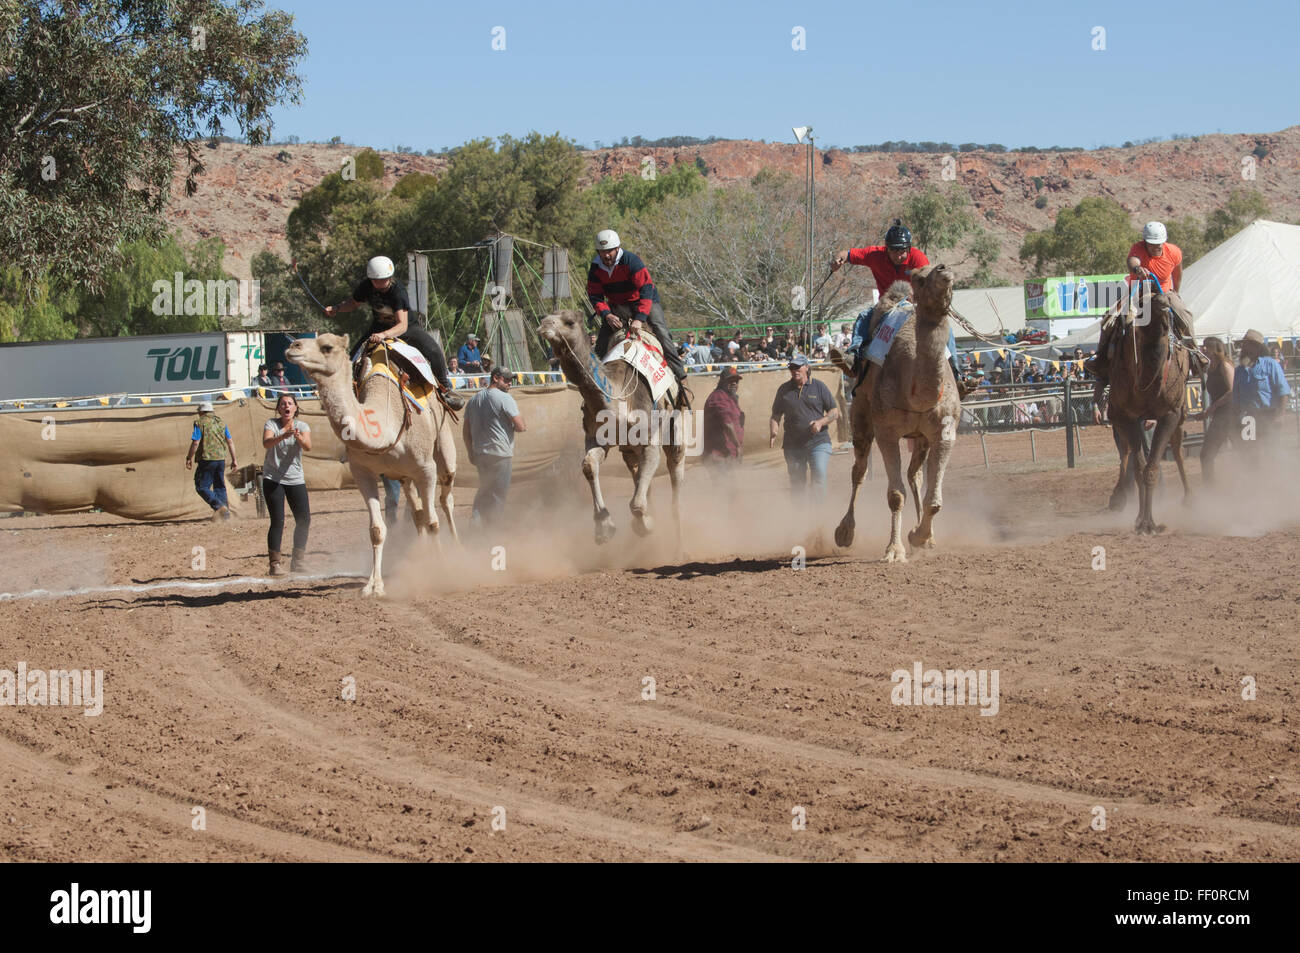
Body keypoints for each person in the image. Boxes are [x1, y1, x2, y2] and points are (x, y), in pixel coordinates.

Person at [832, 219, 965, 389]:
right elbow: (847, 254)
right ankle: (853, 356)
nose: (898, 255)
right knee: (863, 317)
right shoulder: (875, 255)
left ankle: (956, 372)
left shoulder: (917, 258)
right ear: (886, 248)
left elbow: (928, 281)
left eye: (902, 250)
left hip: (914, 306)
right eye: (893, 250)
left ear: (908, 248)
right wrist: (838, 260)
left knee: (945, 328)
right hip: (887, 306)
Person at [324, 255, 464, 410]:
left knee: (434, 350)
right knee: (354, 356)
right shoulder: (366, 286)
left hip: (407, 329)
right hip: (378, 327)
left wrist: (384, 335)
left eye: (385, 279)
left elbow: (402, 325)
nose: (382, 283)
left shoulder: (398, 291)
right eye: (377, 280)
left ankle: (445, 389)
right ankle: (344, 393)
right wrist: (337, 308)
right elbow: (354, 303)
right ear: (371, 279)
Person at [1086, 221, 1197, 394]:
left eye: (1159, 243)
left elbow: (1178, 272)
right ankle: (1101, 360)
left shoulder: (1173, 252)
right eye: (1152, 244)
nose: (1156, 247)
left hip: (1165, 292)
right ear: (1145, 242)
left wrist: (1175, 292)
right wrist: (1137, 269)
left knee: (1184, 314)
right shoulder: (1138, 249)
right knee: (1110, 318)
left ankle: (1195, 354)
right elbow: (1132, 261)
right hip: (1140, 291)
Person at [586, 229, 686, 386]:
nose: (606, 255)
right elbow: (594, 295)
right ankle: (594, 384)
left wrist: (640, 319)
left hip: (642, 300)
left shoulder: (631, 261)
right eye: (602, 251)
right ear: (598, 251)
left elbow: (646, 289)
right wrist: (606, 315)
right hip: (617, 305)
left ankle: (681, 377)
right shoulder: (595, 268)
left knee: (660, 331)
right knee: (602, 342)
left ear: (617, 248)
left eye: (610, 251)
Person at [463, 366, 526, 529]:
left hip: (480, 455)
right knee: (498, 497)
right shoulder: (505, 398)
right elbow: (520, 426)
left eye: (510, 381)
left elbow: (466, 431)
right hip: (500, 455)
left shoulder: (473, 400)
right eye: (506, 380)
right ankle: (493, 533)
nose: (509, 384)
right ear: (496, 378)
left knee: (484, 491)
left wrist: (471, 452)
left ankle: (475, 527)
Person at [770, 355, 839, 504]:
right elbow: (776, 414)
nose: (794, 370)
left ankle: (818, 516)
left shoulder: (819, 386)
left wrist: (821, 422)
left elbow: (835, 412)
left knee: (819, 474)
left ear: (807, 367)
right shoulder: (784, 390)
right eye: (791, 367)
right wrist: (774, 430)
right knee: (797, 482)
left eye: (798, 367)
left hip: (818, 441)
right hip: (793, 445)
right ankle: (800, 517)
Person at [261, 394, 312, 575]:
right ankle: (275, 564)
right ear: (278, 409)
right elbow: (266, 443)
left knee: (304, 519)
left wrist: (297, 437)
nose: (286, 406)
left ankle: (298, 562)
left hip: (295, 479)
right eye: (283, 404)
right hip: (273, 478)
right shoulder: (271, 424)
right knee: (278, 520)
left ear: (296, 408)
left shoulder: (302, 426)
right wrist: (282, 436)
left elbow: (307, 446)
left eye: (290, 404)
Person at [1232, 328, 1292, 460]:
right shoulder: (1239, 371)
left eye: (1247, 344)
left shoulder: (1270, 365)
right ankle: (1254, 478)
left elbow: (1283, 391)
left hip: (1269, 414)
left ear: (1256, 347)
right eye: (1243, 344)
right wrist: (1235, 419)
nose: (1243, 347)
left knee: (1271, 450)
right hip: (1248, 417)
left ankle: (1275, 476)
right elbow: (1236, 398)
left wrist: (1280, 415)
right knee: (1249, 451)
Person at [185, 400, 237, 521]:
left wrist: (189, 457)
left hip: (207, 459)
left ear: (201, 412)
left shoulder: (200, 422)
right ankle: (225, 514)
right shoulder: (221, 422)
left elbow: (196, 441)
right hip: (221, 459)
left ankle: (219, 507)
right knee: (220, 486)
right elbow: (230, 441)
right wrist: (234, 459)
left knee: (201, 486)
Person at [1196, 337, 1236, 486]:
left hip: (1230, 413)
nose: (1203, 349)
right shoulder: (1211, 367)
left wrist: (1211, 408)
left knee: (1207, 453)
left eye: (1206, 346)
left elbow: (1232, 391)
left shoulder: (1224, 365)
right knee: (1207, 454)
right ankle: (1210, 488)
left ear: (1214, 349)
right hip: (1220, 414)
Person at [703, 367, 745, 489]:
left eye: (736, 381)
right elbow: (727, 424)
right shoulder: (719, 397)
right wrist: (738, 446)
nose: (734, 383)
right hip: (718, 455)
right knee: (725, 490)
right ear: (721, 382)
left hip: (725, 453)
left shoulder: (729, 397)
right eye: (730, 380)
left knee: (730, 489)